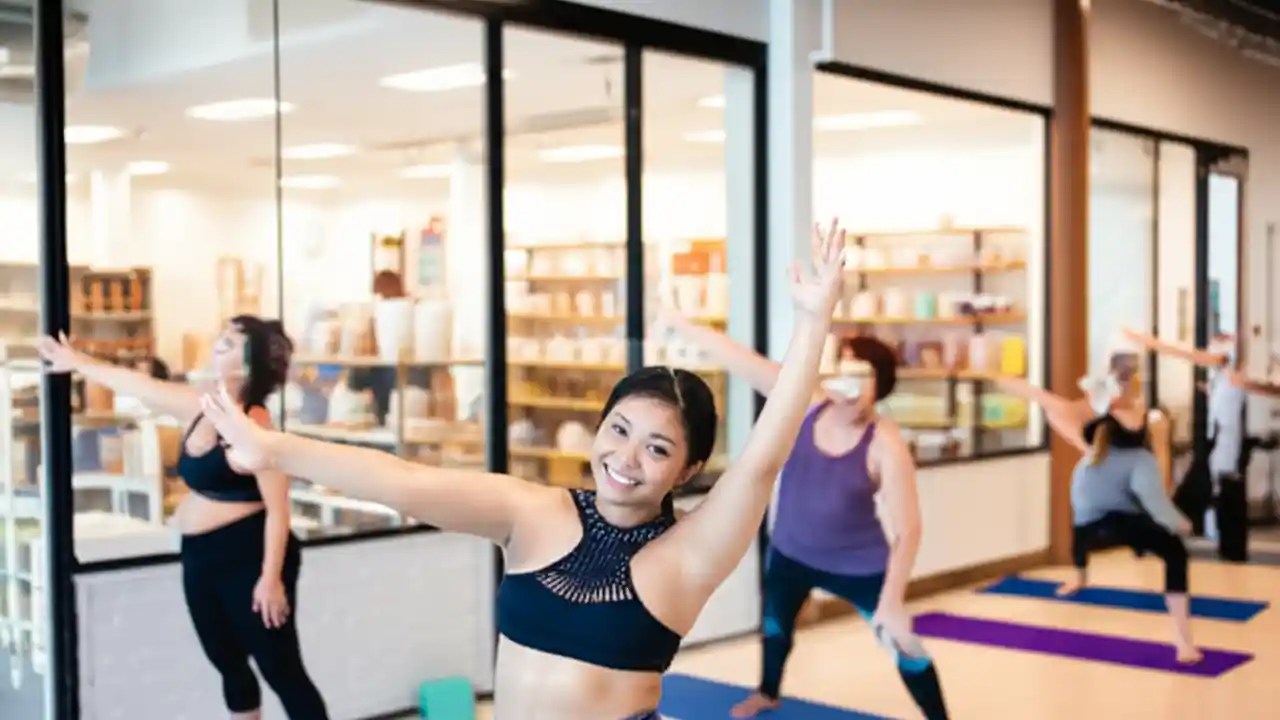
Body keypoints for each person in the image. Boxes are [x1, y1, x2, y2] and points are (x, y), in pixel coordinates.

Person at [193, 222, 848, 719]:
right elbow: (405, 481)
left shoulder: (687, 557)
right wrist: (275, 451)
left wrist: (813, 322)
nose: (624, 459)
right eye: (618, 431)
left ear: (688, 469)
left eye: (655, 448)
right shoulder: (535, 513)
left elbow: (763, 462)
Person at [659, 313, 947, 719]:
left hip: (858, 564)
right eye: (845, 372)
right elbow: (740, 359)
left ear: (878, 387)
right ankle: (768, 692)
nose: (849, 386)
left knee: (903, 642)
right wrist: (680, 324)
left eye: (861, 377)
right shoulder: (807, 404)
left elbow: (908, 529)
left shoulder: (885, 444)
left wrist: (892, 599)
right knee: (775, 628)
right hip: (792, 552)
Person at [39, 318, 329, 720]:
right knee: (228, 665)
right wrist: (76, 361)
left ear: (247, 365)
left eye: (228, 343)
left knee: (282, 672)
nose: (216, 346)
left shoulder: (256, 424)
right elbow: (138, 386)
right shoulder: (201, 405)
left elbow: (279, 510)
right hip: (200, 556)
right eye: (220, 338)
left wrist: (270, 578)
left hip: (247, 556)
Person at [995, 361, 1200, 664]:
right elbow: (1155, 480)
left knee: (1100, 519)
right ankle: (1183, 643)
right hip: (1114, 509)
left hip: (1100, 510)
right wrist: (1177, 522)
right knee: (1174, 551)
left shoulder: (1132, 419)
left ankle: (1081, 575)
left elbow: (1157, 471)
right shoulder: (1105, 415)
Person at [1122, 328, 1250, 561]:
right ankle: (1161, 534)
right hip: (1216, 443)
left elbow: (1192, 355)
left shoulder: (1233, 365)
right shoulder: (1223, 376)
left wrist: (1151, 342)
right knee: (1201, 493)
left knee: (1212, 492)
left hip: (1225, 444)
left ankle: (1228, 548)